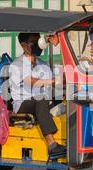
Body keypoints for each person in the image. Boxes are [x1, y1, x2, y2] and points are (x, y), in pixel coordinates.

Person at [9, 32, 66, 160]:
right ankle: (52, 146)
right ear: (24, 45)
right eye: (33, 42)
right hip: (23, 104)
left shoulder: (43, 64)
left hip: (42, 102)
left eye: (38, 41)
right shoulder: (16, 65)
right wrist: (52, 81)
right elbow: (31, 81)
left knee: (68, 100)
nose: (37, 45)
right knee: (41, 100)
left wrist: (64, 84)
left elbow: (54, 85)